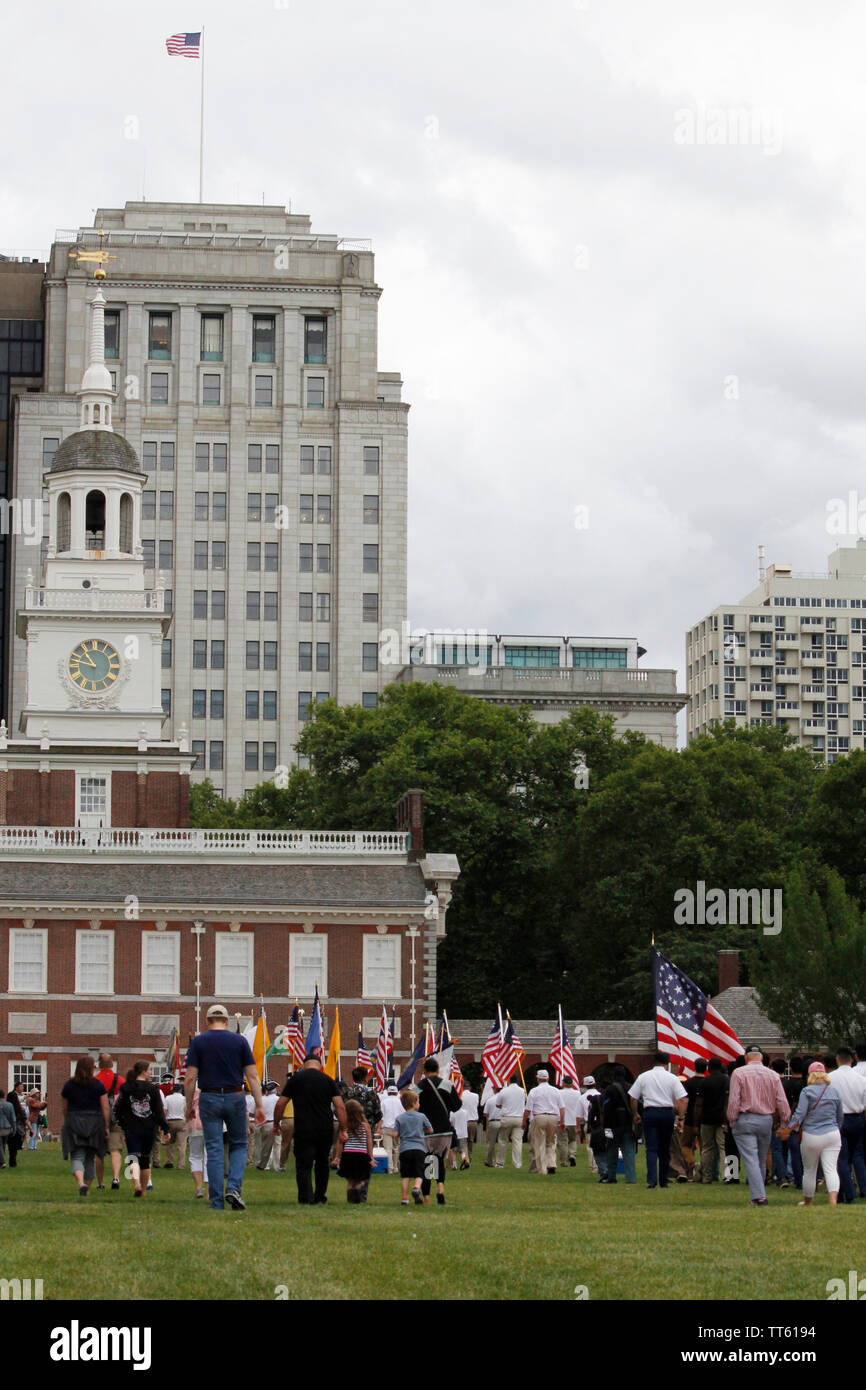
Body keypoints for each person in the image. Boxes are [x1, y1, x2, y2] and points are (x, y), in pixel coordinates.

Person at [184, 1003, 265, 1212]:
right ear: (227, 1021)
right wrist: (259, 1105)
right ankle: (234, 1188)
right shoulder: (239, 1041)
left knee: (214, 1149)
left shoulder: (198, 1042)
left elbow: (190, 1078)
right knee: (239, 1144)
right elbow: (253, 1076)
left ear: (207, 1021)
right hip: (235, 1096)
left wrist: (188, 1105)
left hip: (209, 1096)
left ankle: (217, 1201)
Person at [274, 1055, 348, 1205]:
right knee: (322, 1163)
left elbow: (281, 1103)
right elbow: (339, 1106)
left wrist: (276, 1123)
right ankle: (320, 1196)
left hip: (303, 1127)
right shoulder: (328, 1080)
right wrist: (344, 1128)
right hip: (324, 1128)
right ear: (320, 1066)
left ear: (304, 1065)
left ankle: (305, 1198)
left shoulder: (295, 1079)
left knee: (303, 1165)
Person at [727, 1046, 791, 1206]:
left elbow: (734, 1100)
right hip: (766, 1120)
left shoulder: (739, 1073)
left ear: (746, 1057)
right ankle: (758, 1195)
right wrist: (784, 1123)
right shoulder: (773, 1075)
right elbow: (782, 1102)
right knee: (760, 1159)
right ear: (762, 1058)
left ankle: (759, 1196)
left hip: (745, 1118)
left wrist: (732, 1120)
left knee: (751, 1159)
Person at [777, 1061, 843, 1207]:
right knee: (831, 1169)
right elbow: (840, 1116)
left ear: (810, 1074)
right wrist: (836, 1128)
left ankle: (808, 1201)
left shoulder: (807, 1091)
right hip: (832, 1133)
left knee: (809, 1170)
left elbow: (799, 1114)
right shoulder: (834, 1091)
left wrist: (788, 1129)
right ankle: (833, 1200)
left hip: (811, 1134)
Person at [628, 1052, 688, 1189]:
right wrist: (681, 1117)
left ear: (653, 1062)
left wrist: (636, 1113)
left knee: (651, 1148)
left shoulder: (644, 1076)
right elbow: (683, 1099)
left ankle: (651, 1180)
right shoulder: (672, 1078)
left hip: (650, 1113)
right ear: (666, 1064)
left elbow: (632, 1097)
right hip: (667, 1113)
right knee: (665, 1148)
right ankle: (664, 1180)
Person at [115, 1061, 170, 1197]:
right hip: (149, 1127)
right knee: (145, 1160)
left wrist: (123, 1123)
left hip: (132, 1127)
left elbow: (118, 1108)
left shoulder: (126, 1088)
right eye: (150, 1070)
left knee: (133, 1156)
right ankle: (144, 1190)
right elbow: (158, 1110)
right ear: (144, 1071)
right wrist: (165, 1129)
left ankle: (136, 1184)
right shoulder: (153, 1089)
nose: (151, 1072)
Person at [60, 1056, 110, 1196]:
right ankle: (86, 1189)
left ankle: (81, 1183)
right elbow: (105, 1107)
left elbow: (64, 1108)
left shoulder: (69, 1085)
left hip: (74, 1121)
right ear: (91, 1068)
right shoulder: (98, 1085)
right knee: (90, 1158)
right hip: (94, 1123)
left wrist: (68, 1122)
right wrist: (106, 1126)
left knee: (77, 1157)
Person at [417, 1057, 462, 1204]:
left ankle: (427, 1197)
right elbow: (456, 1106)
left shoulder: (418, 1087)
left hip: (426, 1131)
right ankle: (440, 1189)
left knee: (428, 1161)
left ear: (424, 1071)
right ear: (437, 1070)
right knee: (438, 1160)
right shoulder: (446, 1085)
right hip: (444, 1130)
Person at [828, 1047, 866, 1203]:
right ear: (852, 1059)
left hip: (840, 1119)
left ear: (837, 1059)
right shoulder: (861, 1079)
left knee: (841, 1158)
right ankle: (862, 1187)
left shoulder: (830, 1078)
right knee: (857, 1155)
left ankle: (849, 1193)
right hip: (858, 1119)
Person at [344, 1066, 383, 1201]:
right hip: (366, 1131)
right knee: (365, 1162)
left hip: (348, 1131)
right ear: (366, 1078)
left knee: (350, 1162)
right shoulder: (371, 1094)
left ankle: (351, 1190)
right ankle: (362, 1194)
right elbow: (378, 1114)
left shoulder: (346, 1092)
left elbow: (339, 1110)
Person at [394, 1089, 433, 1206]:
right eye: (418, 1102)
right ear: (413, 1103)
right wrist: (423, 1130)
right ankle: (416, 1188)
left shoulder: (400, 1118)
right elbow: (430, 1130)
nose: (419, 1104)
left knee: (405, 1176)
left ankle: (404, 1199)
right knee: (419, 1173)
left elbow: (395, 1134)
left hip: (405, 1149)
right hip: (419, 1149)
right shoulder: (421, 1116)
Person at [599, 1066, 637, 1185]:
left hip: (613, 1124)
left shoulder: (610, 1089)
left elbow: (606, 1108)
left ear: (614, 1075)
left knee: (611, 1151)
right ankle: (630, 1178)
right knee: (629, 1152)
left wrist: (605, 1126)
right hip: (628, 1122)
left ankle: (611, 1176)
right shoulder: (631, 1087)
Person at [523, 1069, 564, 1175]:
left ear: (538, 1079)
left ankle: (542, 1169)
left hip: (539, 1116)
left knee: (539, 1143)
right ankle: (551, 1163)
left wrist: (524, 1121)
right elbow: (562, 1107)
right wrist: (562, 1121)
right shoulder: (555, 1090)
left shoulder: (534, 1091)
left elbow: (528, 1108)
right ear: (548, 1078)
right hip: (553, 1117)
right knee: (551, 1142)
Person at [93, 1053, 124, 1191]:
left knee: (99, 1153)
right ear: (112, 1064)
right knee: (115, 1150)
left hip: (99, 1119)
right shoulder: (120, 1080)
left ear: (99, 1065)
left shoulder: (94, 1080)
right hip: (115, 1119)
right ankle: (116, 1177)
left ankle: (100, 1183)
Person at [334, 1098, 373, 1203]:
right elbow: (369, 1142)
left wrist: (337, 1157)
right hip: (361, 1155)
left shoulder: (345, 1126)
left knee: (350, 1181)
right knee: (362, 1180)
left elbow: (340, 1142)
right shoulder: (365, 1126)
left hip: (348, 1155)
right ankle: (357, 1189)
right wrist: (371, 1157)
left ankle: (350, 1200)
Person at [699, 1058, 729, 1183]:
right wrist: (726, 1119)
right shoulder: (726, 1080)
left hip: (706, 1118)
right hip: (722, 1118)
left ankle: (706, 1176)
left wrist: (697, 1121)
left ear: (709, 1068)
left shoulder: (705, 1081)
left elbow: (699, 1104)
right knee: (723, 1148)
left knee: (707, 1148)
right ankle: (727, 1175)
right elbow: (727, 1101)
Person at [493, 1077, 527, 1169]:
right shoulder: (522, 1091)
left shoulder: (504, 1091)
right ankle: (517, 1164)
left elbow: (497, 1104)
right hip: (519, 1118)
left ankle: (500, 1163)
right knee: (518, 1142)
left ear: (509, 1081)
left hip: (507, 1117)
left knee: (503, 1140)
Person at [681, 1060, 706, 1179]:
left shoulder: (688, 1083)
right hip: (704, 1119)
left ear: (694, 1068)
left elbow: (684, 1100)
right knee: (704, 1147)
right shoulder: (707, 1082)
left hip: (690, 1118)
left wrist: (681, 1116)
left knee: (685, 1145)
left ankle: (692, 1163)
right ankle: (704, 1169)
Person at [558, 1077, 587, 1168]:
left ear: (564, 1083)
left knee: (563, 1141)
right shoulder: (577, 1093)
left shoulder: (559, 1093)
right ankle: (572, 1155)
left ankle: (563, 1162)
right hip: (574, 1121)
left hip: (563, 1120)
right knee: (573, 1140)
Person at [186, 1089, 209, 1200]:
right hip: (210, 1122)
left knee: (195, 1157)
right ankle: (209, 1190)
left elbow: (186, 1106)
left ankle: (199, 1187)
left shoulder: (193, 1089)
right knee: (209, 1157)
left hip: (194, 1123)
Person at [255, 1082, 280, 1170]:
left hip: (265, 1123)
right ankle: (278, 1166)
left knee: (265, 1145)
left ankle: (264, 1164)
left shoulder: (262, 1099)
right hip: (275, 1122)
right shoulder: (278, 1099)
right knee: (277, 1145)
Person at [379, 1082, 403, 1174]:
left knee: (388, 1149)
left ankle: (390, 1168)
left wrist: (378, 1128)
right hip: (398, 1127)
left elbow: (381, 1116)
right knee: (396, 1148)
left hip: (386, 1127)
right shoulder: (400, 1102)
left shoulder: (384, 1102)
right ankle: (396, 1167)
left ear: (388, 1092)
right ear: (397, 1092)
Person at [162, 1085, 188, 1169]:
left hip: (170, 1121)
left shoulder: (168, 1098)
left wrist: (164, 1122)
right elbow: (186, 1110)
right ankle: (181, 1165)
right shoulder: (184, 1099)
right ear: (180, 1090)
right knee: (182, 1145)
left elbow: (165, 1110)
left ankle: (169, 1162)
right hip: (181, 1121)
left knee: (169, 1143)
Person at [582, 1076, 601, 1173]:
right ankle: (600, 1166)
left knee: (590, 1146)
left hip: (588, 1123)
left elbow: (579, 1115)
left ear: (585, 1085)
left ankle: (594, 1168)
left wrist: (578, 1126)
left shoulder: (582, 1097)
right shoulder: (601, 1095)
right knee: (601, 1145)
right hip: (600, 1123)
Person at [6, 1084, 27, 1169]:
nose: (22, 1088)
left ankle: (9, 1162)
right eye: (21, 1086)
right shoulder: (13, 1097)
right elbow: (18, 1109)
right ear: (17, 1087)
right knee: (13, 1144)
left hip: (10, 1123)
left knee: (10, 1144)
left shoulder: (11, 1097)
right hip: (14, 1123)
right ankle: (12, 1162)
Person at [482, 1083, 501, 1167]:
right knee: (502, 1142)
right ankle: (500, 1161)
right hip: (502, 1121)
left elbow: (485, 1113)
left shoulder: (490, 1100)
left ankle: (490, 1161)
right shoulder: (504, 1099)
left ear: (494, 1089)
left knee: (491, 1143)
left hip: (493, 1122)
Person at [462, 1083, 480, 1159]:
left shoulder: (460, 1095)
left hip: (463, 1121)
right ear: (470, 1088)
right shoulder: (476, 1096)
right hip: (473, 1121)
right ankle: (469, 1155)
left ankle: (465, 1156)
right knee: (471, 1140)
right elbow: (476, 1105)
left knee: (463, 1140)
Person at [0, 1090, 16, 1168]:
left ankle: (2, 1162)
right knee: (3, 1144)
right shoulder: (9, 1105)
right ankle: (1, 1161)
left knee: (0, 1146)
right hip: (7, 1128)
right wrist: (14, 1129)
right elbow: (13, 1119)